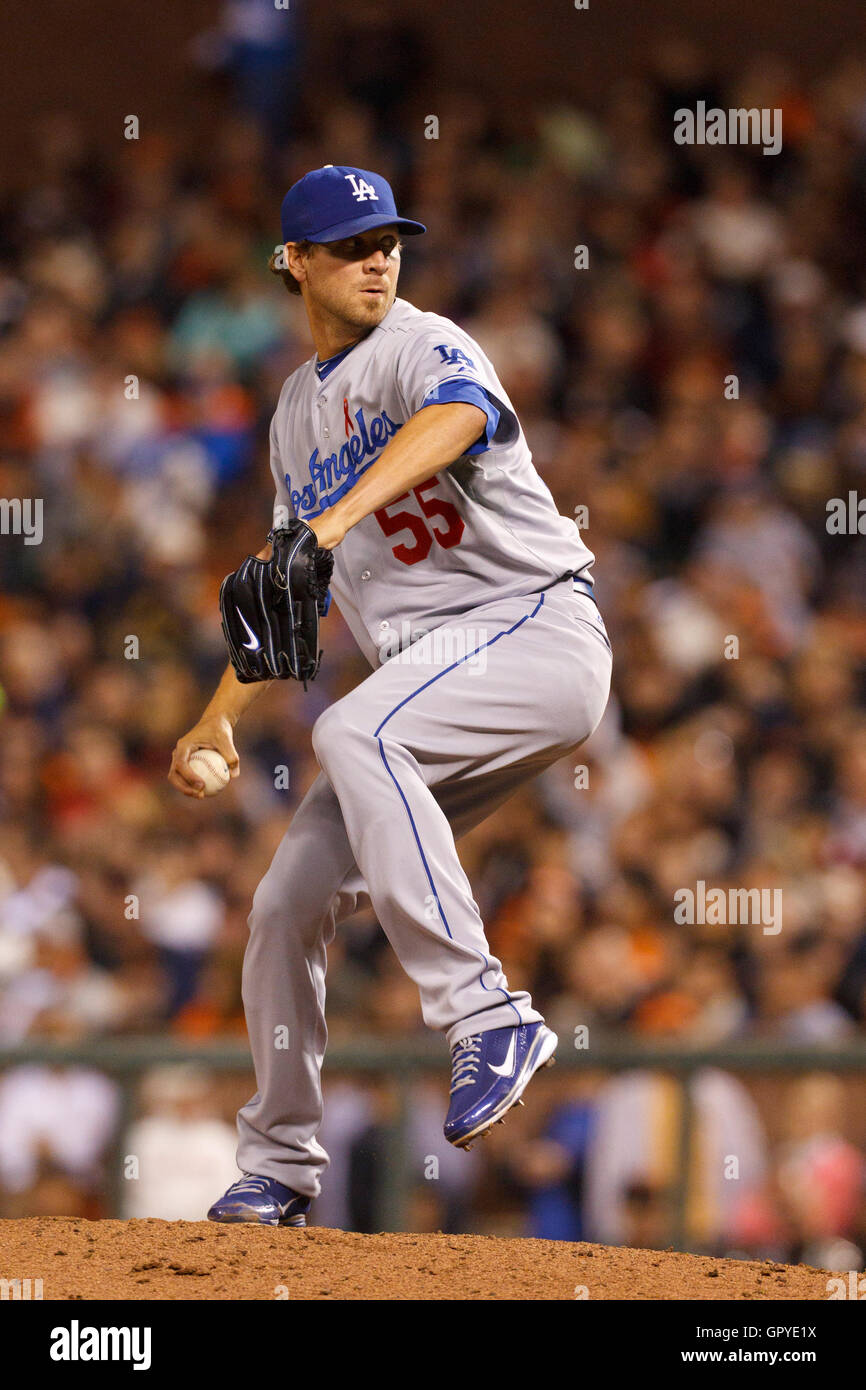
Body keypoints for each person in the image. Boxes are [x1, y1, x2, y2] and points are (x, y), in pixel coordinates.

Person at [168, 165, 612, 1226]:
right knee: (284, 904)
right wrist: (213, 718)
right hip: (437, 689)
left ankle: (484, 1014)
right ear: (294, 263)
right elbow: (288, 593)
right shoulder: (290, 420)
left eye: (388, 239)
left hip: (535, 630)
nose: (378, 258)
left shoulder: (421, 341)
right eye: (351, 243)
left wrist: (325, 523)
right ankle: (276, 1164)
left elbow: (458, 416)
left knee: (351, 729)